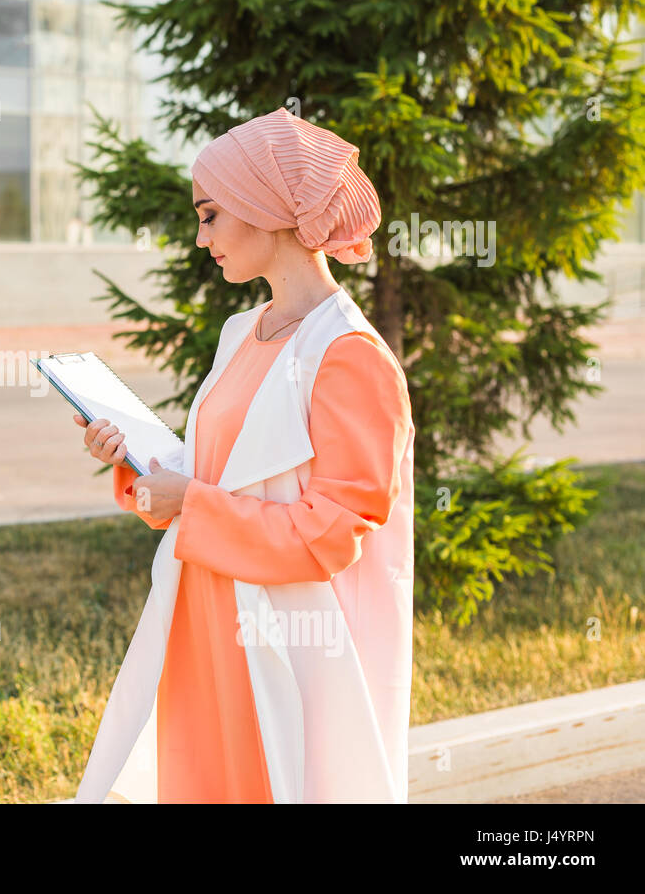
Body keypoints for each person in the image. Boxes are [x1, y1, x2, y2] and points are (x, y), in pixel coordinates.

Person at [70, 107, 415, 804]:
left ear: (266, 209)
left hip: (289, 649)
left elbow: (331, 533)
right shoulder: (242, 332)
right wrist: (135, 464)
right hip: (204, 623)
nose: (201, 238)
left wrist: (193, 504)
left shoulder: (350, 356)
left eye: (210, 216)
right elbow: (219, 479)